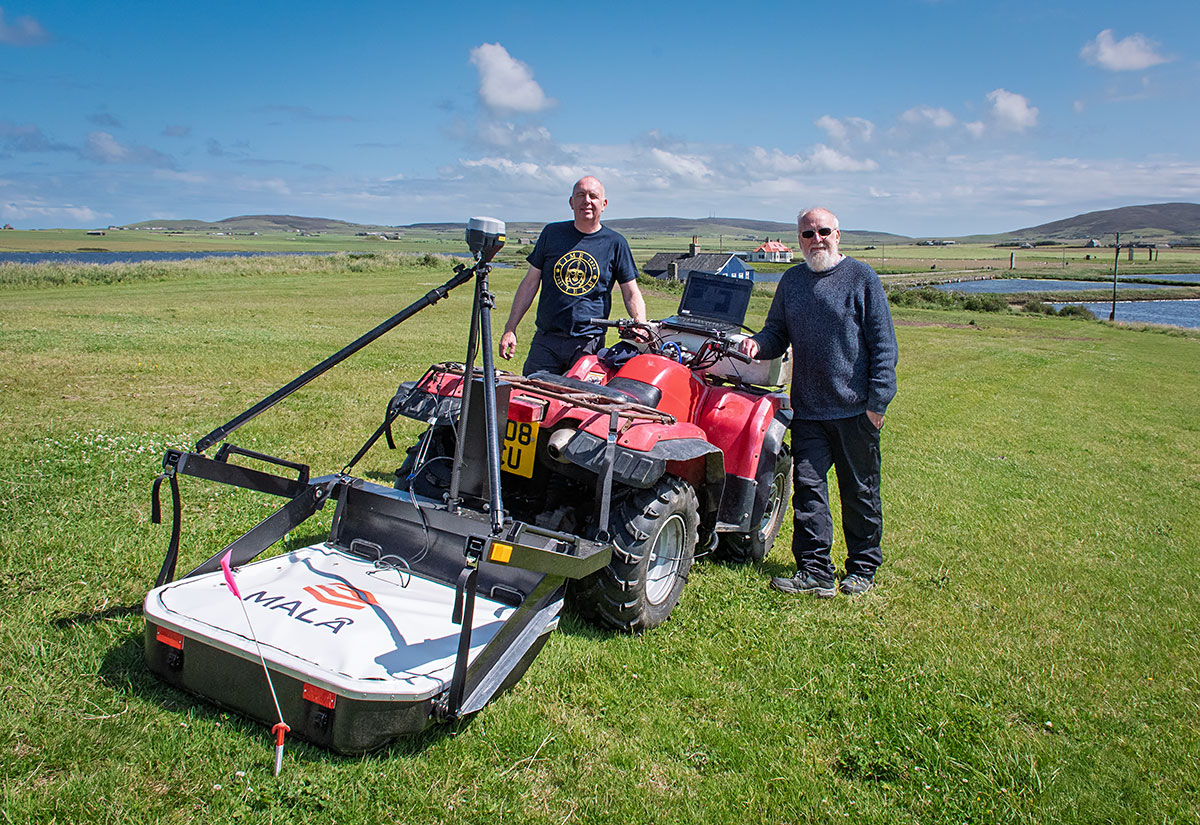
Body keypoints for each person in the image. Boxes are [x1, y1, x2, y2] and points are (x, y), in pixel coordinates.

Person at [738, 207, 898, 597]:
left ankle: (862, 569)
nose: (816, 240)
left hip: (856, 411)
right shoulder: (792, 281)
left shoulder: (862, 279)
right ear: (799, 240)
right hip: (808, 409)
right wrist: (758, 344)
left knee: (859, 492)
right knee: (808, 491)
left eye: (823, 231)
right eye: (807, 234)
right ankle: (815, 570)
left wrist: (877, 405)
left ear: (838, 235)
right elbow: (777, 331)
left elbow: (884, 346)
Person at [499, 176, 647, 375]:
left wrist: (640, 324)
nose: (587, 201)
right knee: (530, 396)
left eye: (593, 196)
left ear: (604, 204)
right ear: (571, 202)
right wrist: (510, 328)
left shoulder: (615, 243)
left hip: (588, 343)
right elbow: (530, 283)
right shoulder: (552, 234)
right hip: (547, 340)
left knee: (579, 402)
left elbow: (631, 292)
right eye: (580, 195)